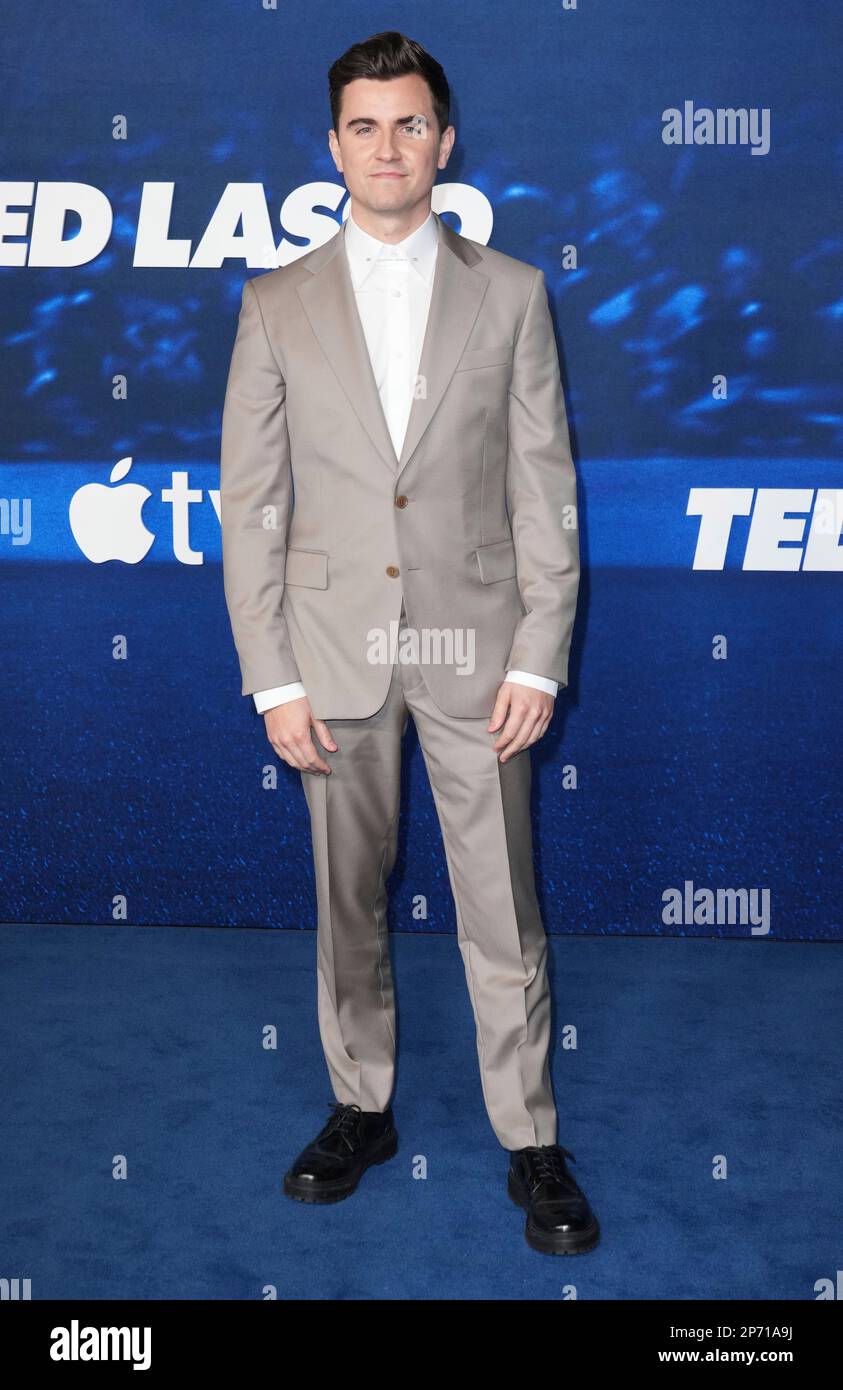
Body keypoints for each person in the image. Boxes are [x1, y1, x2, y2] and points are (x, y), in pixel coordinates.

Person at [219, 30, 598, 1255]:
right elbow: (253, 502)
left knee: (503, 903)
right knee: (347, 903)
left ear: (445, 139)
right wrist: (272, 674)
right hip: (330, 658)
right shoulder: (273, 304)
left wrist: (539, 654)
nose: (390, 146)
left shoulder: (515, 291)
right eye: (365, 126)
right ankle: (359, 1105)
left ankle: (531, 1136)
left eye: (412, 123)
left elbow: (545, 490)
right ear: (333, 147)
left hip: (480, 654)